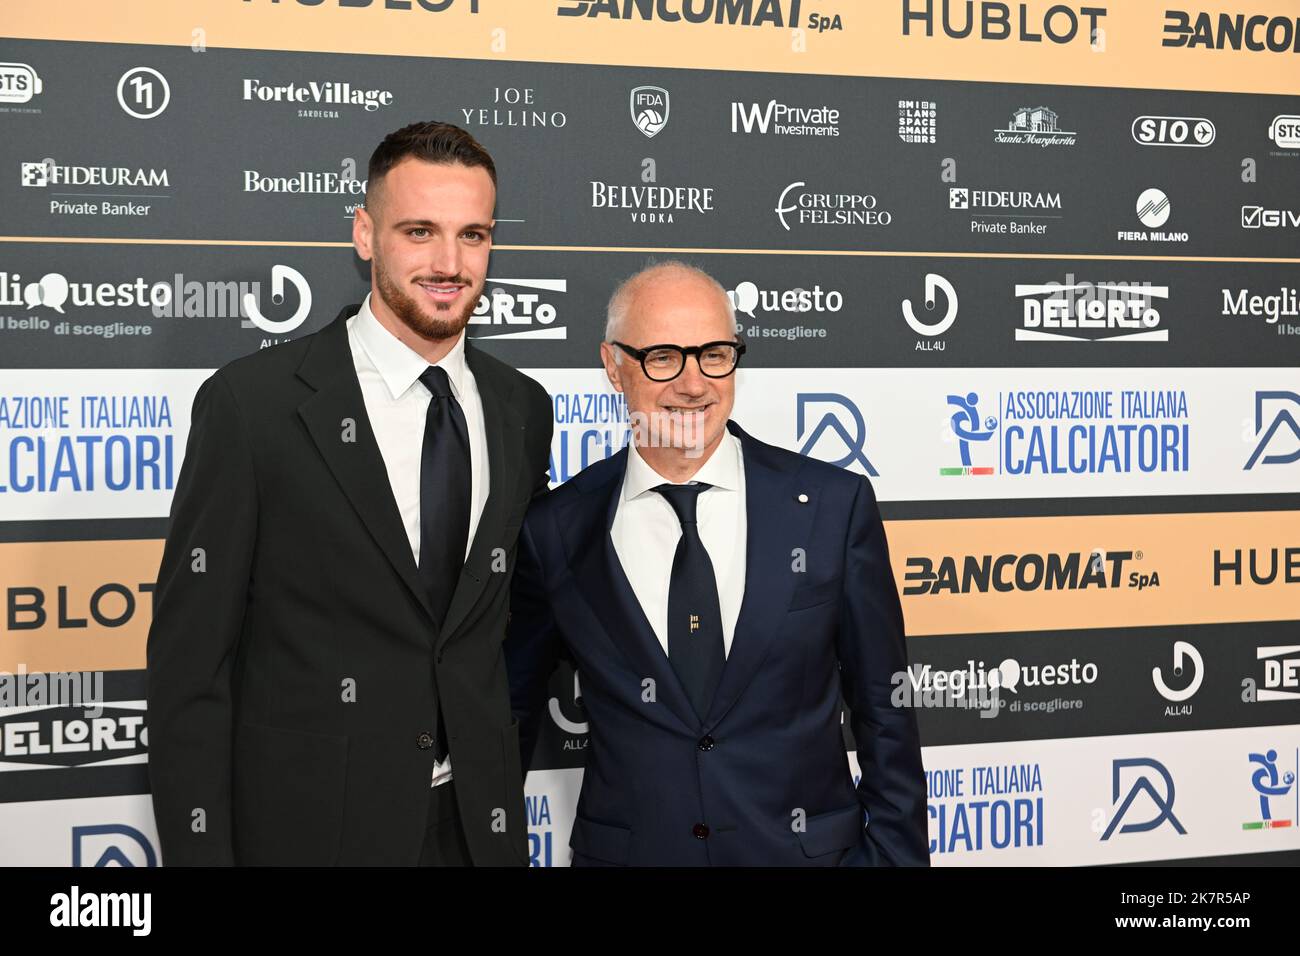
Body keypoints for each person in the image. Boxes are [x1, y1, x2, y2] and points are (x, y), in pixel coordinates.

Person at [147, 121, 552, 866]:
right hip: (311, 832)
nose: (449, 263)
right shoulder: (254, 405)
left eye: (474, 235)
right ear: (365, 234)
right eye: (419, 231)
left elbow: (507, 624)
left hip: (478, 828)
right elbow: (189, 671)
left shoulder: (521, 408)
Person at [506, 261, 928, 866]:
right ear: (612, 366)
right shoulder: (556, 530)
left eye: (714, 353)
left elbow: (885, 712)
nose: (693, 383)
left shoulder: (832, 507)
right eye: (662, 357)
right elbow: (507, 718)